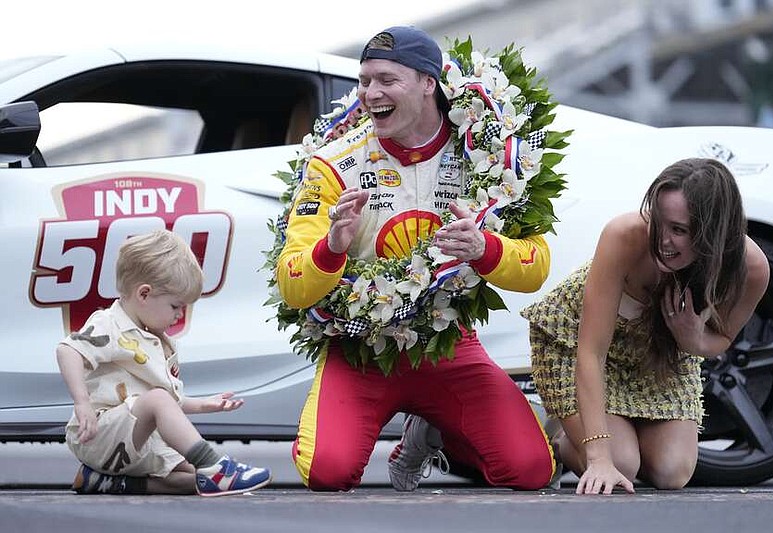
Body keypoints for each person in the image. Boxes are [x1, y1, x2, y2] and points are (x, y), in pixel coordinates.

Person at [276, 26, 555, 491]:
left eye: (387, 80)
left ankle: (432, 433)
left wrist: (486, 249)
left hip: (449, 345)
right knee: (329, 472)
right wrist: (333, 248)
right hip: (361, 348)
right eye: (364, 81)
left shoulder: (484, 150)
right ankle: (421, 423)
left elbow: (537, 265)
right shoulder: (333, 164)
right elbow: (292, 284)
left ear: (429, 83)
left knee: (530, 470)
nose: (371, 93)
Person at [521, 158, 770, 494]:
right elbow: (591, 351)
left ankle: (611, 428)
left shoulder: (751, 268)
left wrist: (694, 338)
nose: (664, 240)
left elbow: (722, 339)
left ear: (713, 232)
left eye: (679, 230)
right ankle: (565, 438)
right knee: (620, 463)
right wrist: (597, 457)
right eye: (660, 222)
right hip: (577, 344)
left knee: (672, 473)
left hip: (658, 354)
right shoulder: (624, 235)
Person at [56, 229, 272, 496]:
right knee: (171, 418)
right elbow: (69, 350)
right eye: (175, 306)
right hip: (100, 434)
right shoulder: (110, 324)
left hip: (136, 439)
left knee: (191, 476)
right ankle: (215, 467)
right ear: (144, 294)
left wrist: (203, 404)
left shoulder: (157, 339)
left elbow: (164, 402)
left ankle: (109, 482)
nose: (180, 315)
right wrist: (82, 402)